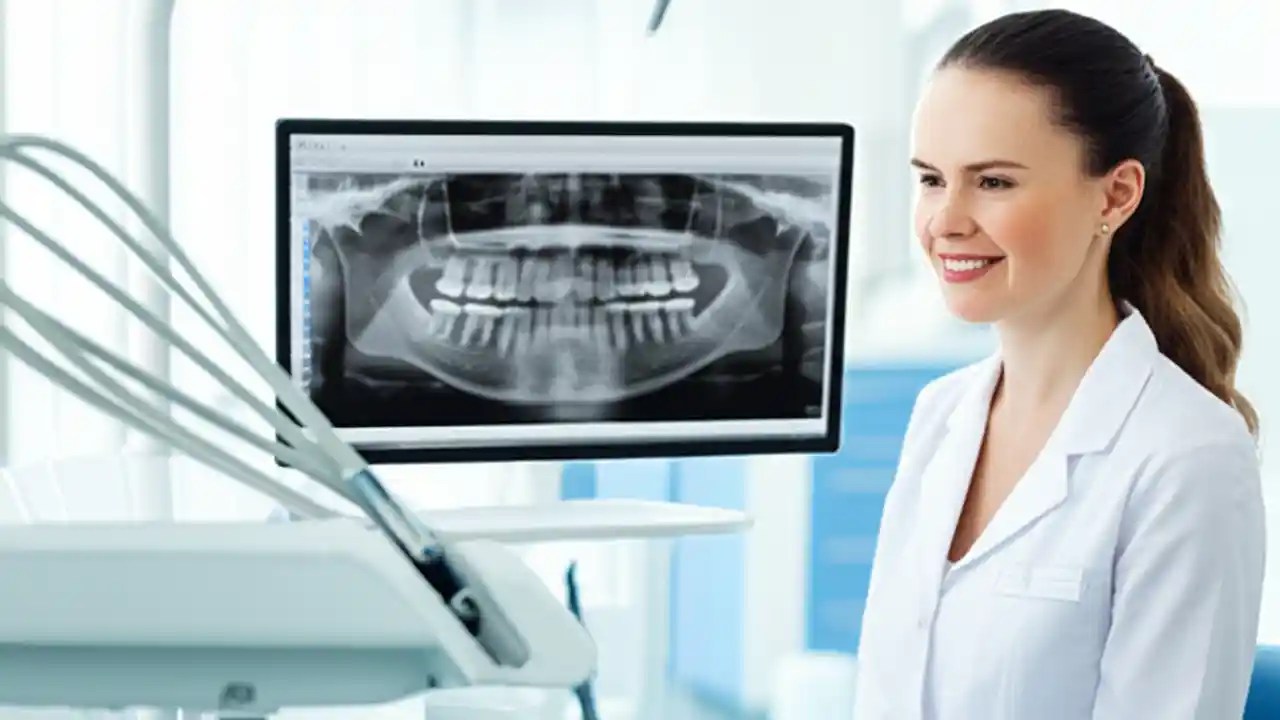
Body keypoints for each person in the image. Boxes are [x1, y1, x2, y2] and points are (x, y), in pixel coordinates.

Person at [853, 9, 1266, 719]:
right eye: (930, 178)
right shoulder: (941, 416)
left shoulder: (1187, 456)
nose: (945, 219)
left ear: (1116, 194)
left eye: (994, 183)